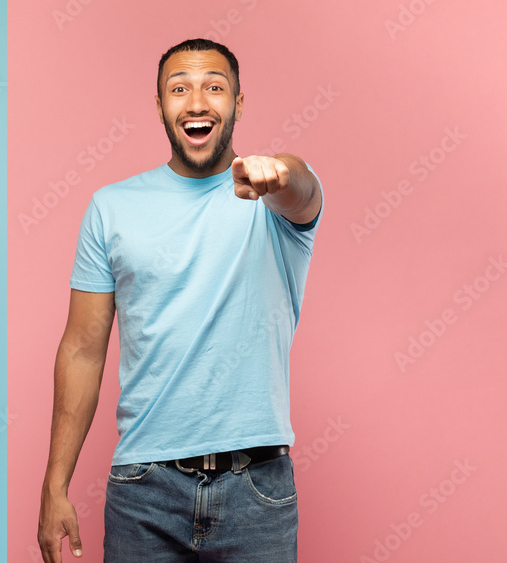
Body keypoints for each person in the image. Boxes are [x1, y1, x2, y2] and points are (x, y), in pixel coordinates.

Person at [37, 39, 323, 562]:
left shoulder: (273, 204)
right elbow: (82, 348)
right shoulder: (111, 207)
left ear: (238, 103)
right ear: (160, 105)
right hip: (143, 492)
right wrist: (55, 485)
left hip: (257, 490)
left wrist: (278, 170)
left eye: (215, 87)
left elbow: (300, 187)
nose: (196, 102)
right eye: (180, 89)